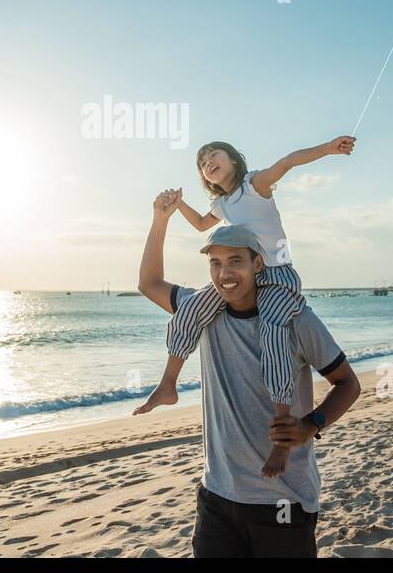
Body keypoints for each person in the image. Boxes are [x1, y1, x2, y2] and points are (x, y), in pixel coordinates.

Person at [138, 191, 361, 557]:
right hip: (217, 497)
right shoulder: (203, 312)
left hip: (283, 501)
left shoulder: (294, 319)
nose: (225, 273)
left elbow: (348, 384)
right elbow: (149, 283)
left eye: (236, 261)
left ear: (258, 264)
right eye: (215, 263)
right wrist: (160, 220)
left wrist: (312, 424)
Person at [134, 136, 355, 480]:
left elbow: (288, 160)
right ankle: (168, 385)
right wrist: (173, 208)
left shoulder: (254, 185)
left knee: (273, 332)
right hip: (246, 276)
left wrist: (328, 148)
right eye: (202, 161)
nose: (208, 162)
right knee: (190, 311)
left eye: (213, 155)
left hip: (277, 277)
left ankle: (282, 433)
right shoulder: (222, 205)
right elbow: (201, 225)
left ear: (233, 160)